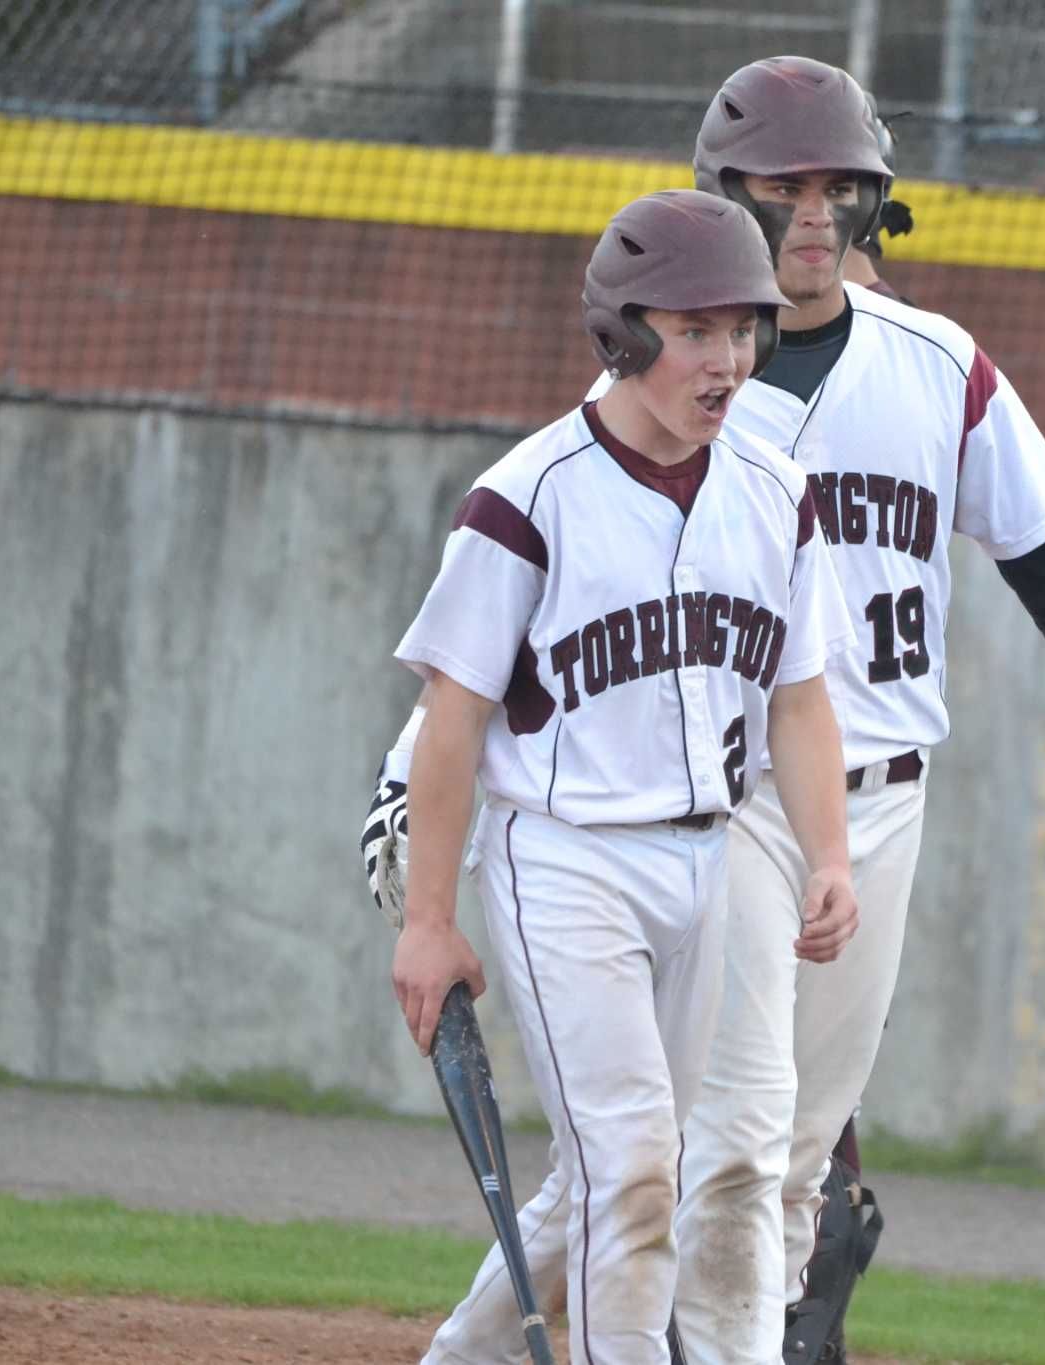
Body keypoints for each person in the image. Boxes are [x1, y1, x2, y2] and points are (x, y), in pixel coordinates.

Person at [366, 57, 1045, 1365]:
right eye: (780, 188)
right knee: (703, 1149)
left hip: (882, 806)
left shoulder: (937, 368)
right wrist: (414, 773)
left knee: (772, 1161)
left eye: (838, 190)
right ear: (721, 199)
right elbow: (545, 597)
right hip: (724, 802)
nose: (810, 215)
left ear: (873, 209)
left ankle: (483, 1346)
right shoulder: (685, 376)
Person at [383, 187, 858, 1365]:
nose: (727, 360)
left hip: (706, 864)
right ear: (624, 334)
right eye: (694, 331)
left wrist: (831, 852)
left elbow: (798, 697)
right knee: (637, 1165)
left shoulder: (772, 491)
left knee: (611, 1177)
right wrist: (430, 923)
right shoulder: (528, 498)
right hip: (563, 862)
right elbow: (452, 721)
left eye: (741, 330)